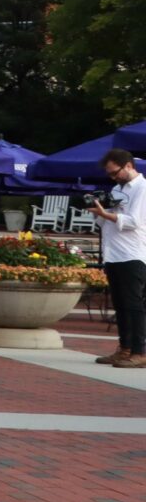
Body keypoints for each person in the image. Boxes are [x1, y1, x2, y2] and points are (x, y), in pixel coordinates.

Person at [93, 149, 146, 367]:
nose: (113, 178)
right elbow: (105, 222)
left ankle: (139, 351)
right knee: (120, 304)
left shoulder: (142, 188)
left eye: (115, 173)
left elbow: (134, 221)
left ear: (129, 166)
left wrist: (106, 214)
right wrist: (99, 212)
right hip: (113, 253)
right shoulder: (117, 189)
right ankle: (125, 348)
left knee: (134, 305)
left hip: (132, 254)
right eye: (109, 174)